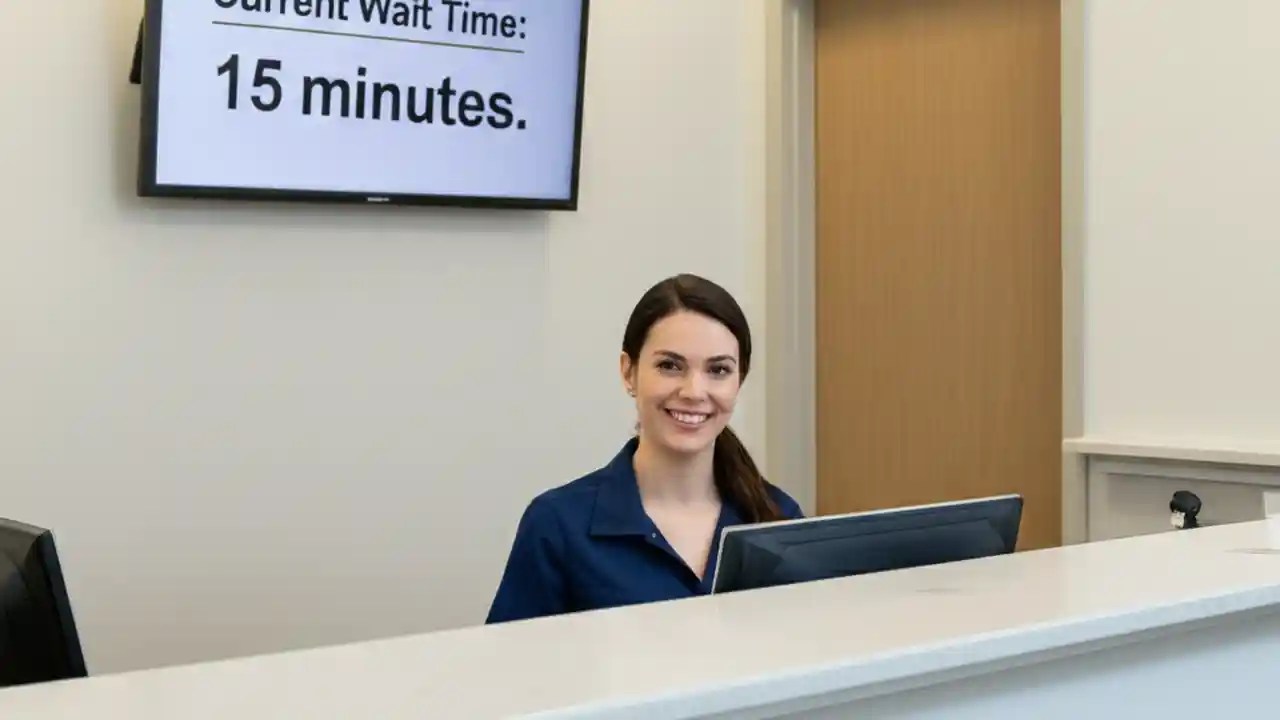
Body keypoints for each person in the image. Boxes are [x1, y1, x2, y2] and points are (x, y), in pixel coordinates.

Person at [485, 274, 803, 624]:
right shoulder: (557, 525)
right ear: (629, 372)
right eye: (670, 366)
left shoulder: (780, 518)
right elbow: (513, 674)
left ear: (739, 380)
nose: (695, 391)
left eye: (718, 370)